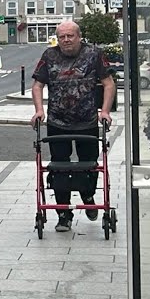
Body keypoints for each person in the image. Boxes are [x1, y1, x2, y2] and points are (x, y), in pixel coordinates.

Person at [30, 20, 114, 232]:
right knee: (59, 166)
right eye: (62, 37)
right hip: (58, 122)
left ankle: (87, 195)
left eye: (70, 36)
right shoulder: (49, 56)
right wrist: (39, 110)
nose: (66, 40)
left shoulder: (94, 54)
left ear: (79, 36)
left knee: (89, 163)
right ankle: (63, 214)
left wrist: (104, 111)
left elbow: (108, 83)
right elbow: (37, 85)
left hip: (87, 121)